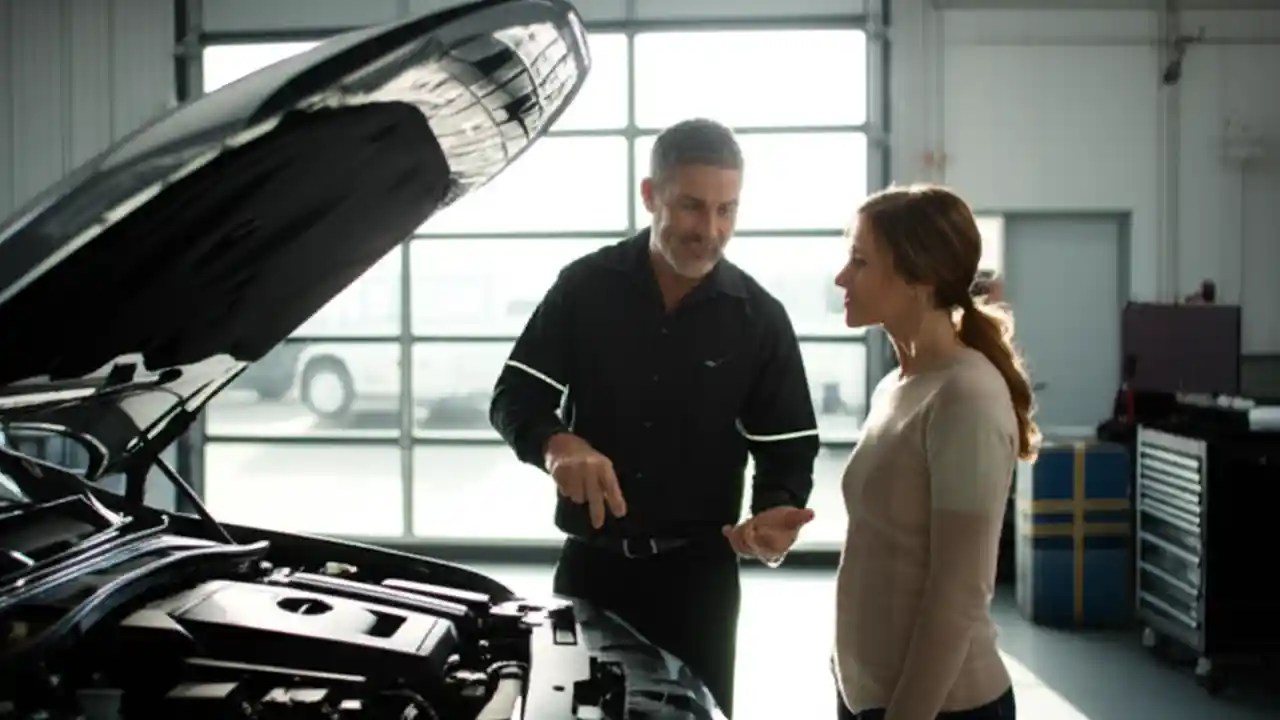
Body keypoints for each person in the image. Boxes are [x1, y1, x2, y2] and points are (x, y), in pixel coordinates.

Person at [489, 118, 821, 716]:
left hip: (700, 582)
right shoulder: (585, 287)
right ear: (650, 196)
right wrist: (557, 444)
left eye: (727, 210)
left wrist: (775, 509)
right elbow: (515, 396)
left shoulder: (759, 317)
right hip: (590, 571)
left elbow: (788, 447)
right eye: (692, 207)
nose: (711, 230)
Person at [830, 183, 1038, 720]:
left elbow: (959, 593)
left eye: (859, 261)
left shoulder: (965, 395)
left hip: (939, 709)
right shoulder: (897, 385)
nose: (841, 278)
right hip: (871, 697)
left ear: (917, 279)